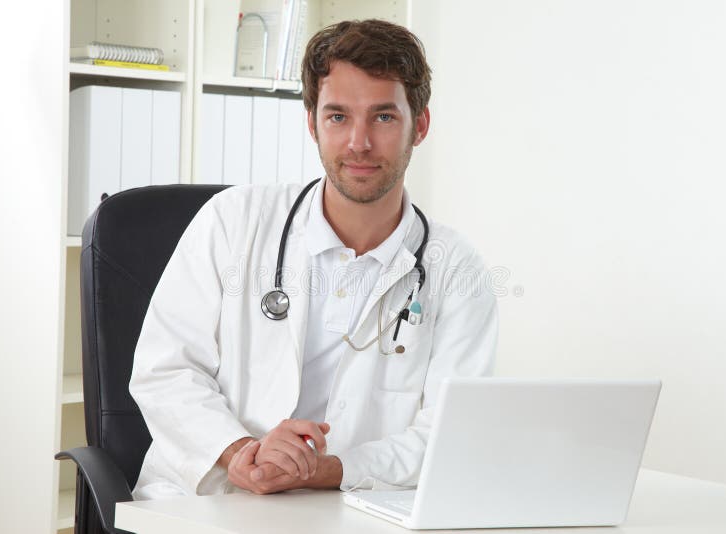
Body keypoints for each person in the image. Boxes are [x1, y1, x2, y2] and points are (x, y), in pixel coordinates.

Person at [129, 19, 498, 499]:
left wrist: (321, 469)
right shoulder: (231, 220)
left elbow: (446, 435)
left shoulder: (457, 269)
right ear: (312, 122)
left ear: (419, 125)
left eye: (383, 117)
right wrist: (242, 452)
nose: (358, 143)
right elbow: (165, 369)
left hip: (357, 506)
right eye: (338, 116)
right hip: (209, 499)